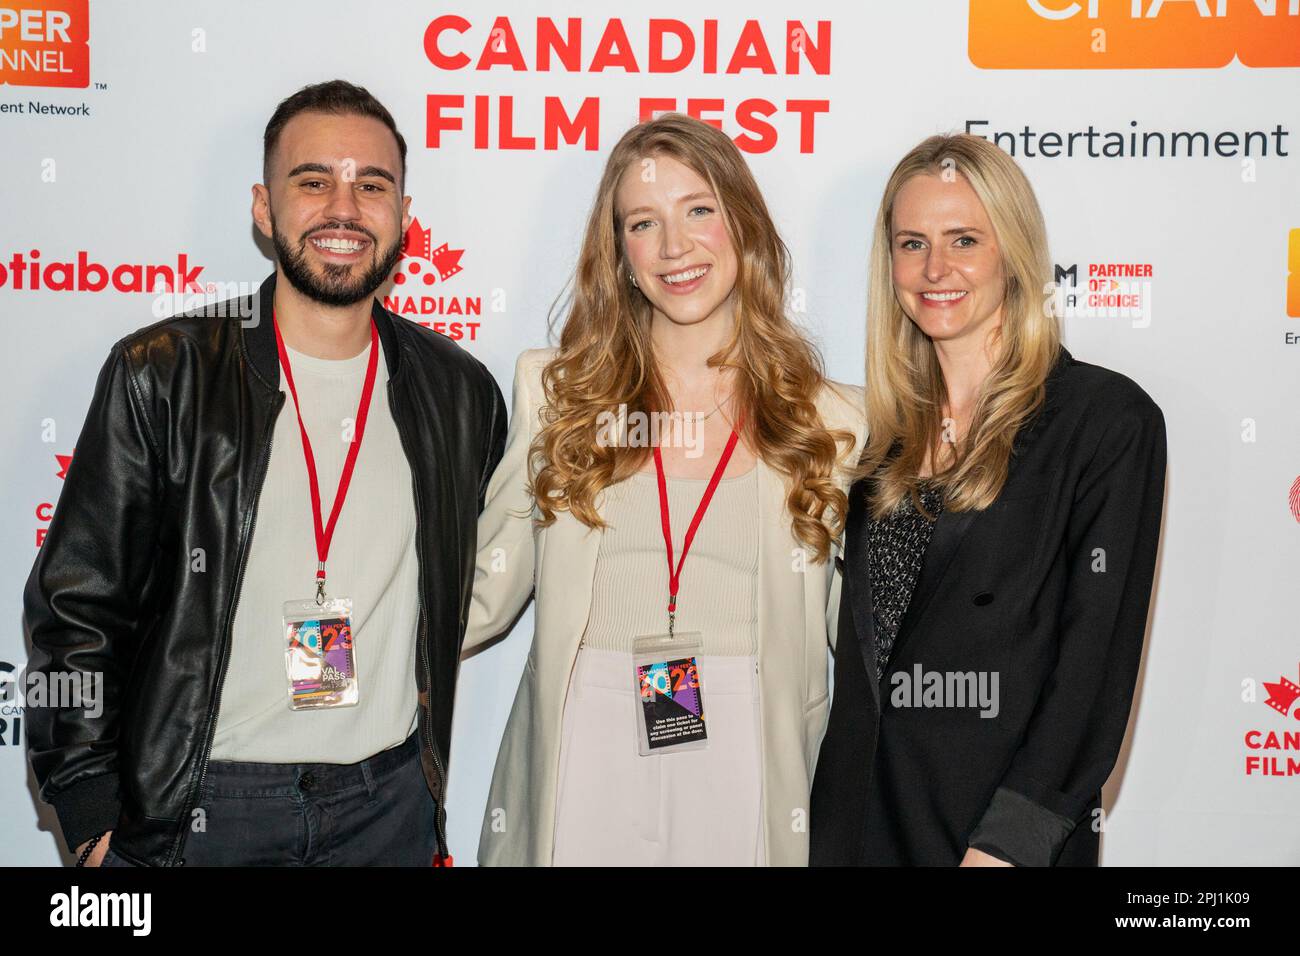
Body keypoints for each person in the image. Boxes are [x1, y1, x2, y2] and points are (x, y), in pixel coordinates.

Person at [23, 80, 506, 867]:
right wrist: (87, 813)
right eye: (313, 181)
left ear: (404, 217)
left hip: (387, 806)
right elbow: (77, 607)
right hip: (201, 807)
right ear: (262, 206)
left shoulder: (459, 393)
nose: (343, 209)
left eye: (371, 185)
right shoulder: (164, 374)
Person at [464, 113, 866, 866]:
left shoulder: (835, 420)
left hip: (749, 750)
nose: (675, 247)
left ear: (743, 226)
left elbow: (871, 637)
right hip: (586, 744)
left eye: (699, 211)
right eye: (643, 223)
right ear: (618, 254)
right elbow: (485, 591)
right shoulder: (557, 395)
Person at [810, 133, 1167, 867]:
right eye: (912, 243)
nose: (935, 269)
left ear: (1014, 252)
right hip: (859, 829)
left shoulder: (1104, 422)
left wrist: (1010, 841)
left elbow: (1093, 669)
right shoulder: (880, 443)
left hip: (995, 844)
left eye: (964, 239)